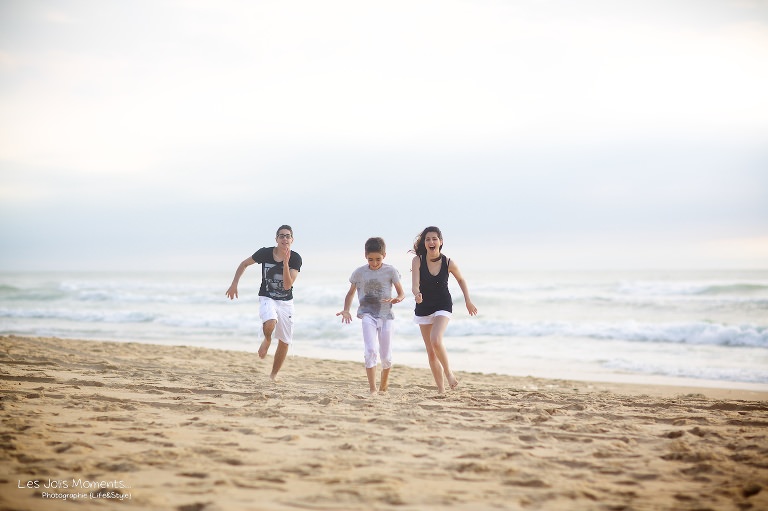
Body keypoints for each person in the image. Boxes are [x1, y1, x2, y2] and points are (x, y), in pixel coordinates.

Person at [226, 225, 302, 381]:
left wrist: (286, 264)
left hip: (286, 302)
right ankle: (267, 339)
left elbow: (288, 285)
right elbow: (244, 264)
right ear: (276, 239)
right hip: (267, 297)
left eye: (287, 236)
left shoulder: (295, 258)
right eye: (281, 236)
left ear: (292, 240)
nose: (284, 239)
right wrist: (234, 284)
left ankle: (273, 375)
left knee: (285, 341)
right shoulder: (265, 253)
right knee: (270, 322)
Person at [411, 226, 477, 393]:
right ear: (424, 243)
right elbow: (414, 285)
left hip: (443, 305)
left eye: (434, 239)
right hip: (423, 306)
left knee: (436, 339)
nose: (431, 242)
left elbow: (461, 279)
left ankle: (449, 373)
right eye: (427, 239)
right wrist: (417, 293)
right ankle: (441, 390)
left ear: (441, 242)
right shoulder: (417, 260)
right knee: (431, 353)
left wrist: (467, 300)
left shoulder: (448, 263)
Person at [337, 237, 406, 394]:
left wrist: (397, 299)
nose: (374, 263)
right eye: (370, 259)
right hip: (368, 315)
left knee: (386, 356)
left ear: (384, 255)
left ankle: (384, 383)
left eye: (378, 259)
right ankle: (373, 389)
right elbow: (350, 293)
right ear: (365, 256)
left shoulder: (391, 271)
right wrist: (346, 309)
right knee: (370, 351)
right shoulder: (359, 272)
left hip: (386, 315)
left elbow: (401, 293)